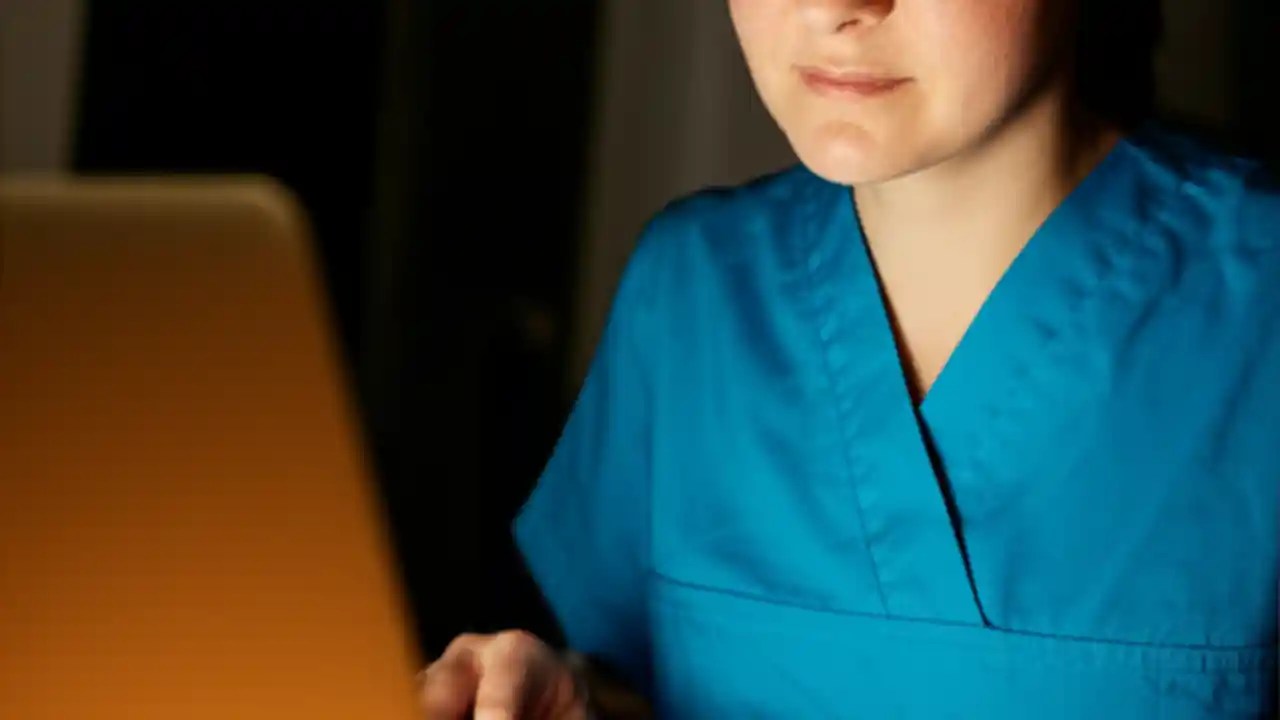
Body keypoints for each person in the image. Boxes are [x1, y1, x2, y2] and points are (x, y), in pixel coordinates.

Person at [419, 0, 1279, 717]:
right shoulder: (691, 292)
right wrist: (577, 701)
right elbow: (642, 681)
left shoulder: (1257, 310)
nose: (833, 6)